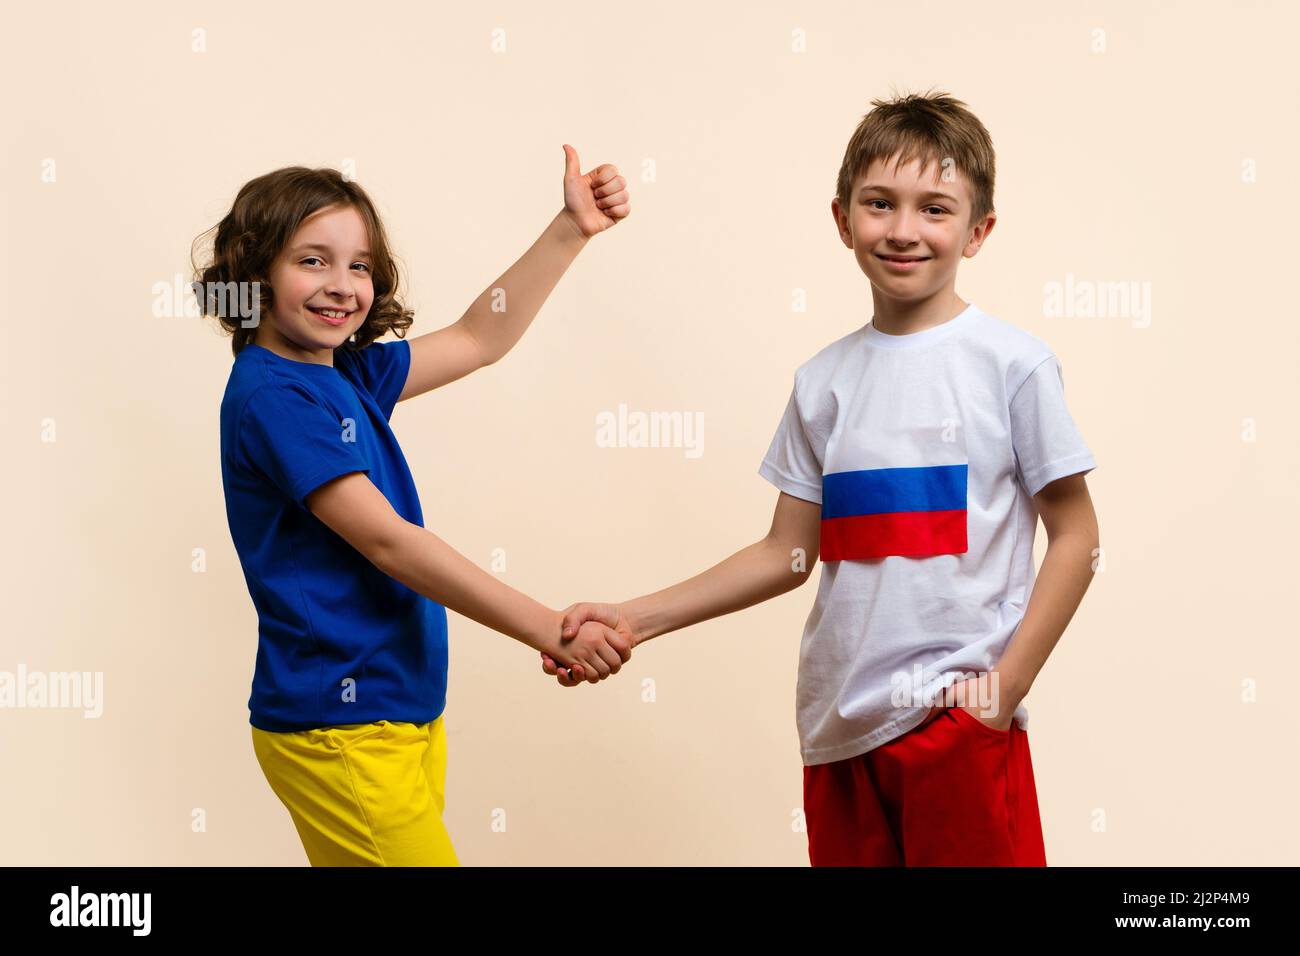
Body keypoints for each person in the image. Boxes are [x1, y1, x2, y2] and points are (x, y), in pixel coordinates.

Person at [548, 92, 1101, 866]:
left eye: (934, 209)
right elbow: (787, 553)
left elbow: (1077, 537)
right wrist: (633, 619)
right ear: (843, 220)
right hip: (838, 733)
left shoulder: (1013, 366)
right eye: (880, 203)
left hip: (957, 730)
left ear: (978, 231)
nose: (903, 229)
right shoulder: (822, 383)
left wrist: (1003, 689)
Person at [197, 147, 634, 865]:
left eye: (359, 265)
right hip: (341, 726)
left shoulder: (343, 374)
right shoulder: (275, 397)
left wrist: (571, 227)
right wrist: (548, 629)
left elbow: (478, 337)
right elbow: (389, 543)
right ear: (254, 274)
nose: (342, 285)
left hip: (399, 711)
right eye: (312, 261)